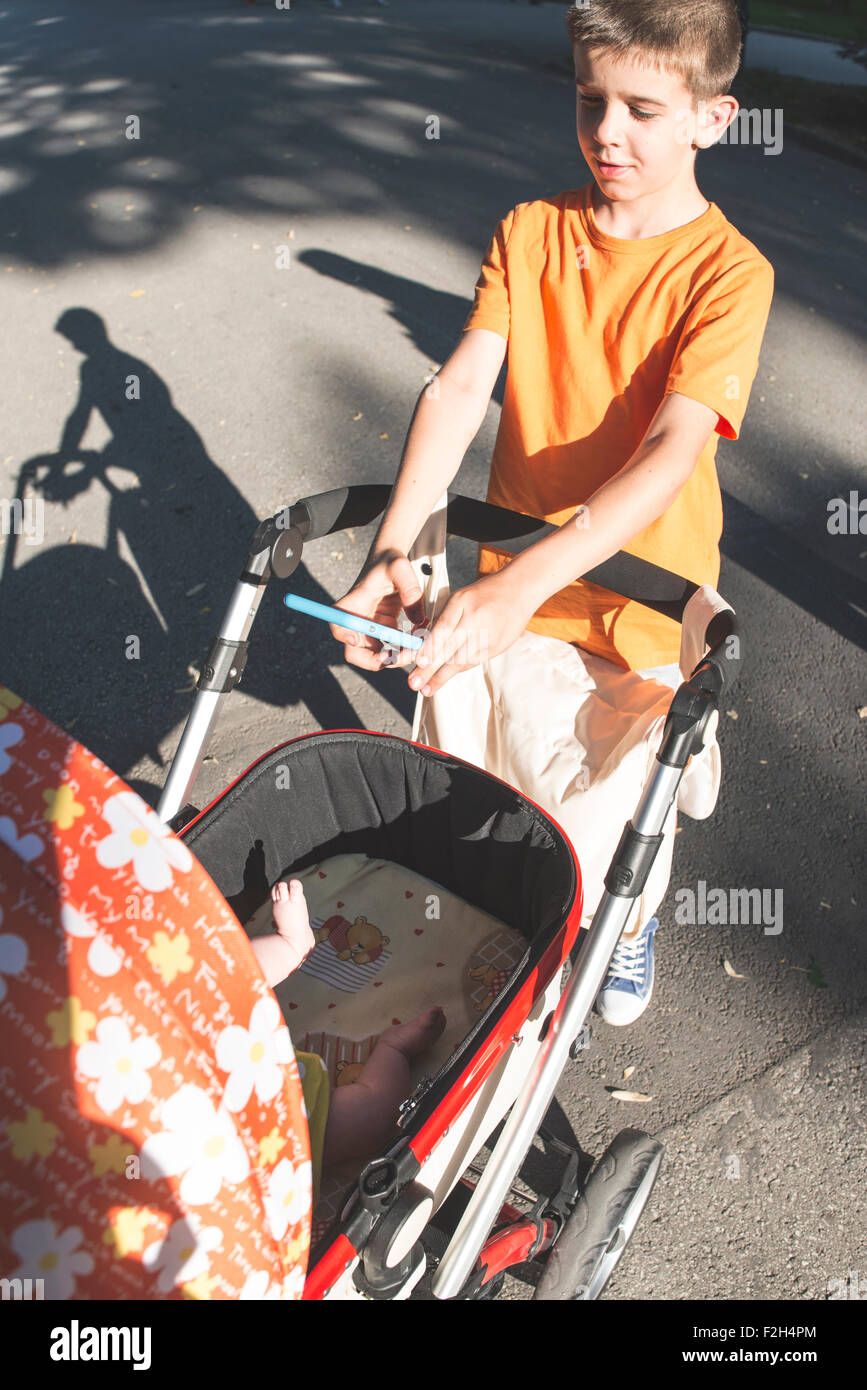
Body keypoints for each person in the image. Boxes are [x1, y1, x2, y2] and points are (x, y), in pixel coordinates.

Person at [328, 0, 774, 1028]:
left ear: (714, 118)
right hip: (521, 586)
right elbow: (453, 392)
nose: (606, 130)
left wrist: (518, 582)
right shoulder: (532, 233)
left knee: (623, 801)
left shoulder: (729, 275)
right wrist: (396, 546)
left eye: (642, 108)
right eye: (589, 100)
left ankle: (627, 919)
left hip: (643, 601)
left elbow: (674, 448)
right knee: (493, 777)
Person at [252, 880, 445, 1190]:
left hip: (263, 1100)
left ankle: (291, 945)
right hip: (265, 1152)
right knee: (379, 1119)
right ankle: (289, 946)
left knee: (208, 979)